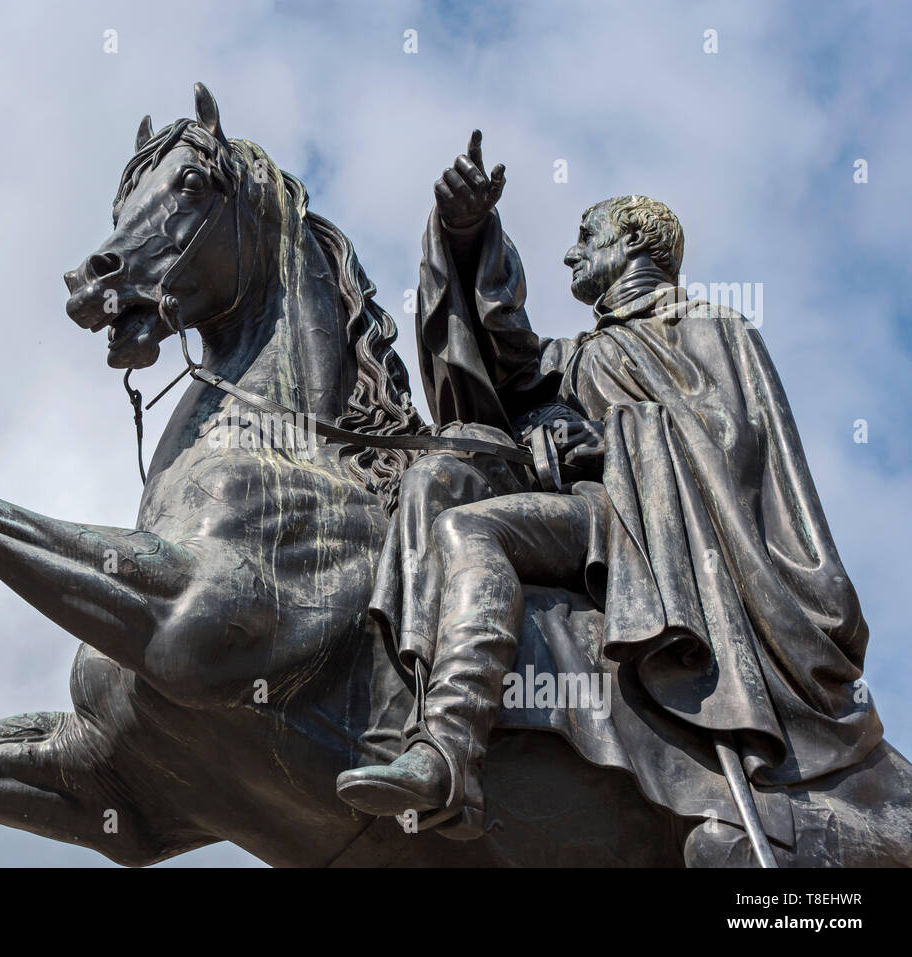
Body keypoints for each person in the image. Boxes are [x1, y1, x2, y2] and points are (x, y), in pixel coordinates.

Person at [337, 132, 882, 841]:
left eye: (586, 236)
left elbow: (732, 442)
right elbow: (503, 364)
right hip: (588, 518)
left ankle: (449, 751)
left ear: (632, 241)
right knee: (436, 481)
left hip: (651, 533)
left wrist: (612, 442)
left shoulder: (711, 326)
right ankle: (400, 714)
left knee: (470, 531)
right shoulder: (582, 354)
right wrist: (465, 232)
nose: (570, 253)